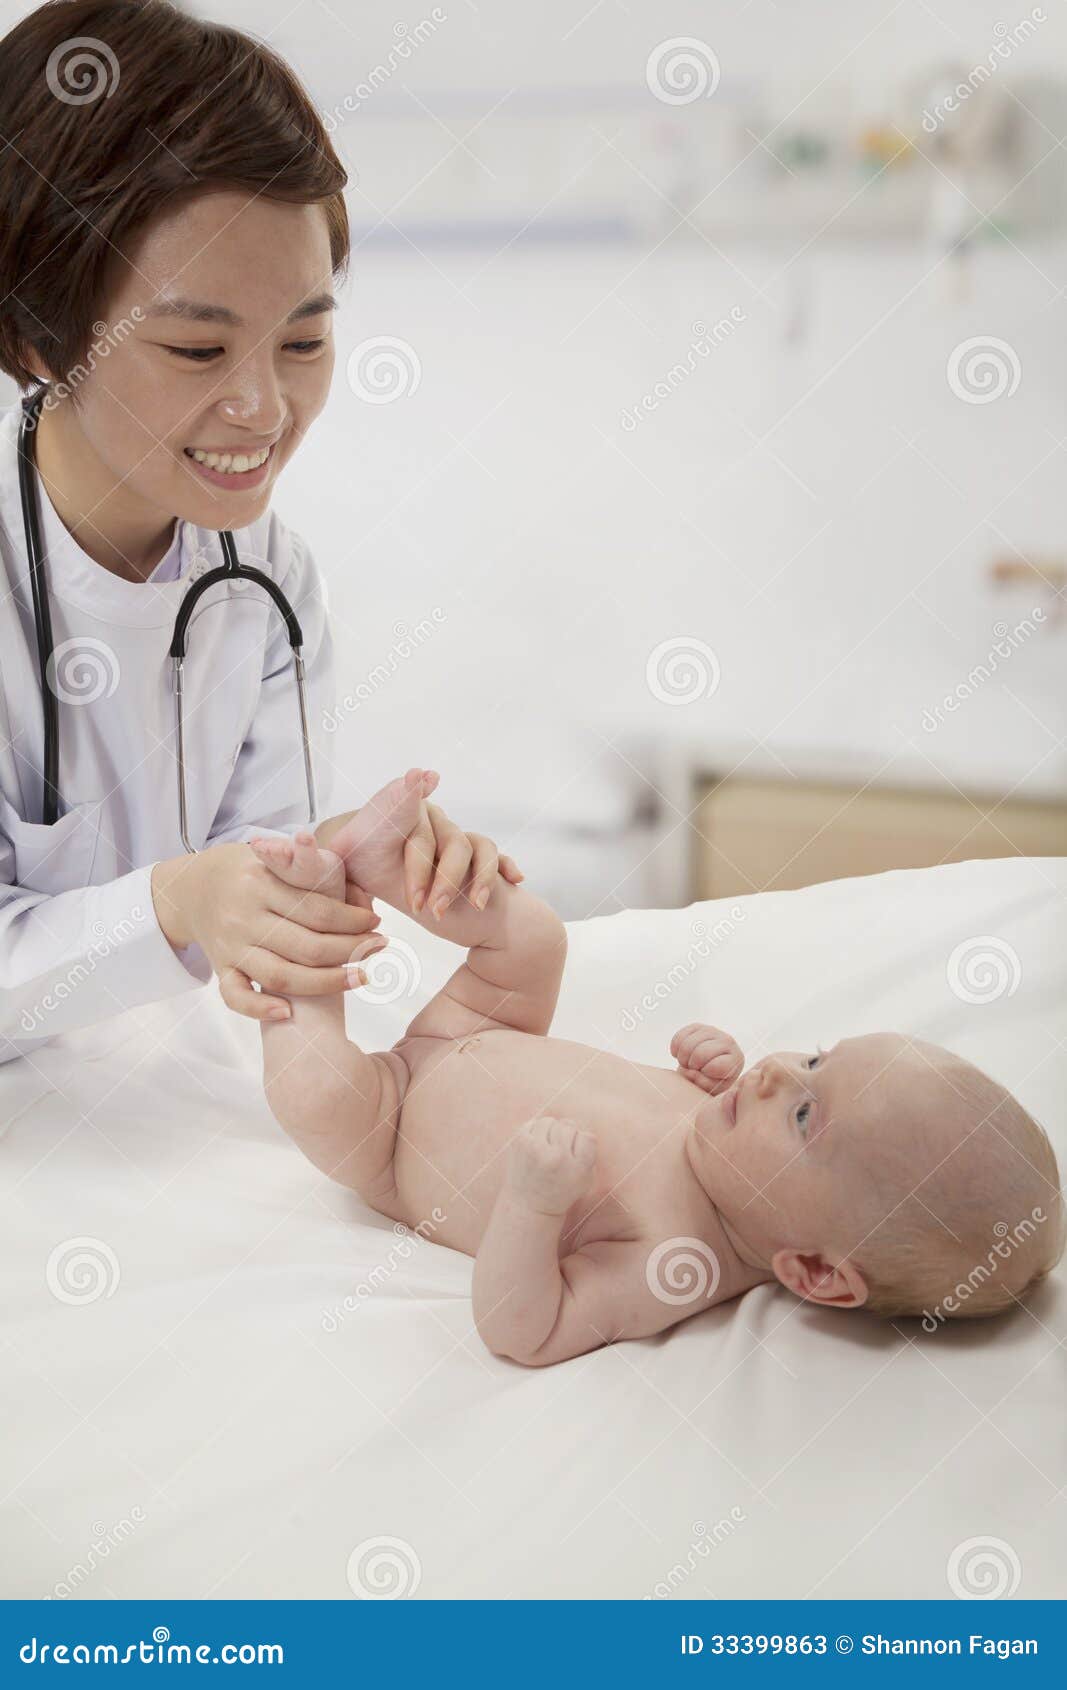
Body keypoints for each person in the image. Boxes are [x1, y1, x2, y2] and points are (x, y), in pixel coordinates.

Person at [0, 1, 520, 1064]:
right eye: (197, 349)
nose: (264, 410)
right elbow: (188, 903)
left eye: (303, 340)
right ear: (33, 336)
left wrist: (341, 859)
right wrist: (181, 902)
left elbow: (251, 864)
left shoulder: (264, 580)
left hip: (122, 1104)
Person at [252, 768, 1065, 1366]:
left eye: (806, 1116)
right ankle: (384, 864)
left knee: (316, 1095)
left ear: (814, 1272)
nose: (780, 1072)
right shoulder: (730, 1139)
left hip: (390, 1132)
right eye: (816, 1059)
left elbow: (523, 1330)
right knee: (536, 942)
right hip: (483, 1023)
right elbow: (640, 1105)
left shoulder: (676, 1263)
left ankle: (305, 923)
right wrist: (702, 1073)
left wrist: (534, 1207)